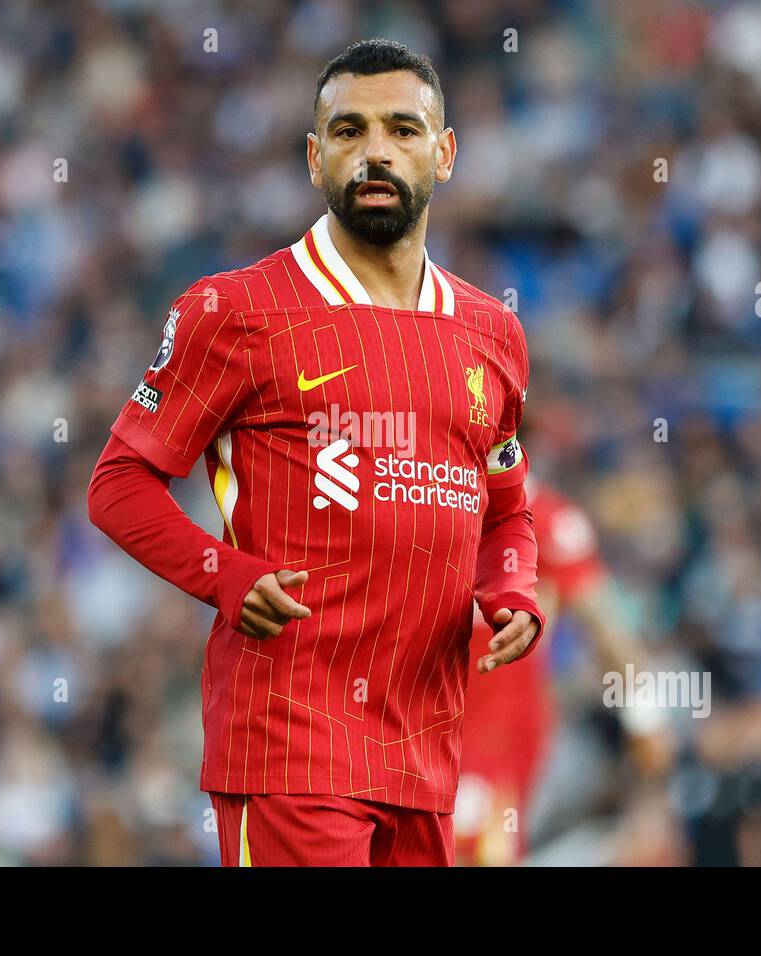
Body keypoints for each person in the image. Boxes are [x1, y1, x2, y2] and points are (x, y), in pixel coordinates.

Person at [87, 38, 545, 866]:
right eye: (349, 131)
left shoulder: (494, 334)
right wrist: (223, 576)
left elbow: (507, 511)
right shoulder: (236, 310)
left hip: (426, 755)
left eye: (403, 130)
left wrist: (510, 586)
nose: (375, 150)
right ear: (314, 156)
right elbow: (119, 483)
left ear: (444, 155)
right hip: (291, 744)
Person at [456, 469, 673, 865]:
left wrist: (646, 720)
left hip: (491, 739)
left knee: (470, 850)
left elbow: (606, 628)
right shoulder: (410, 496)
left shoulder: (544, 519)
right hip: (403, 726)